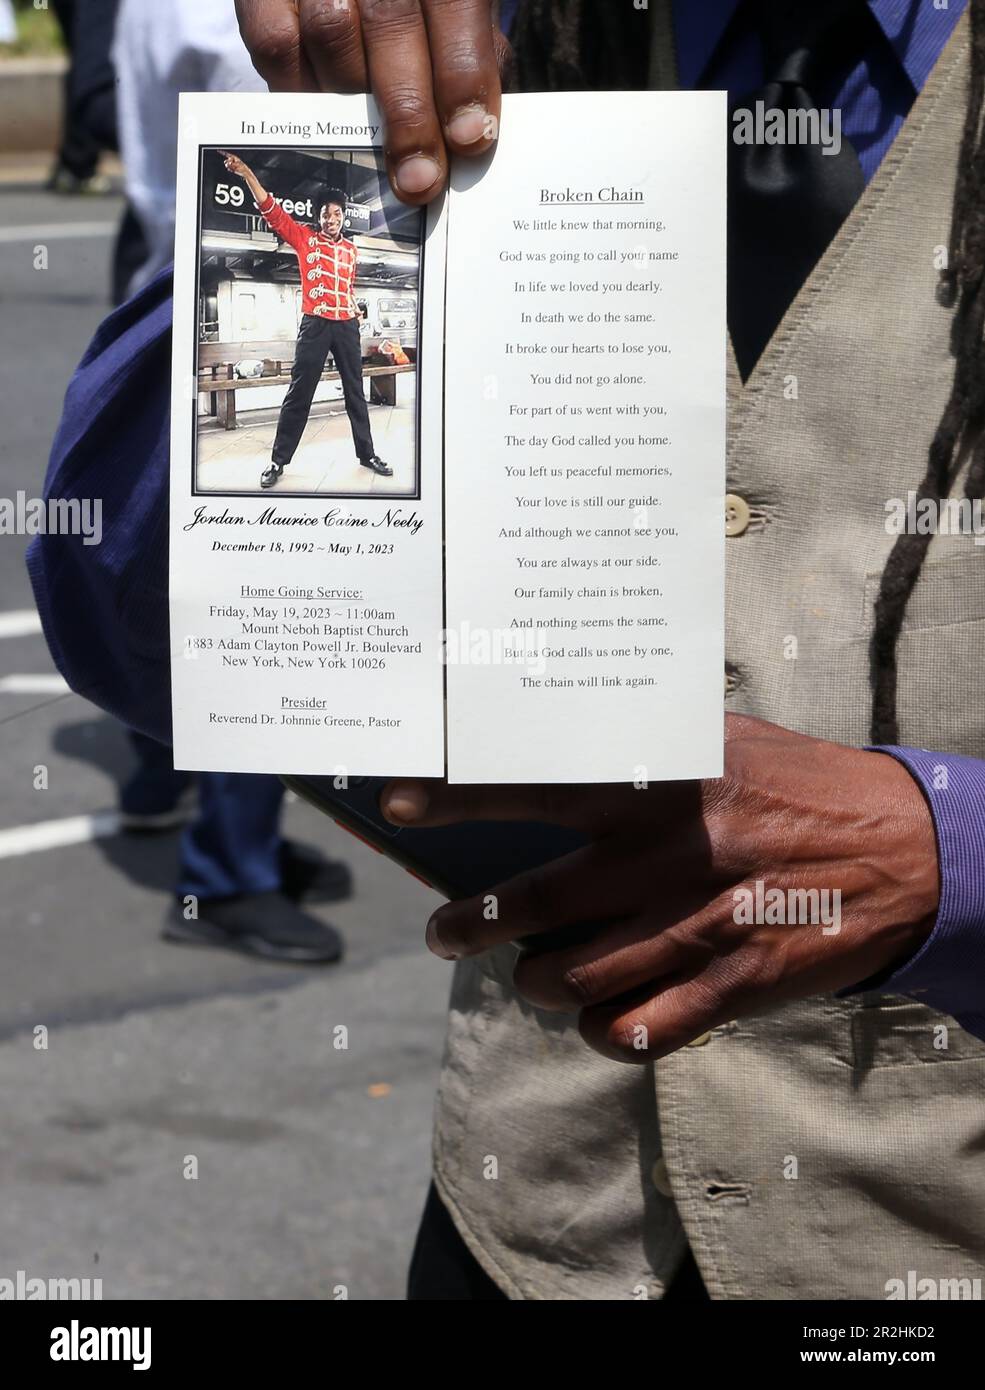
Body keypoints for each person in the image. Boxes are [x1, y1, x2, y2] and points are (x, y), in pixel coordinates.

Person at [27, 0, 985, 1300]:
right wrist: (334, 141)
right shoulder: (511, 36)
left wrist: (949, 852)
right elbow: (141, 628)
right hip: (539, 1221)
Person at [109, 0, 350, 964]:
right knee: (264, 593)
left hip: (204, 283)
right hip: (225, 303)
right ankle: (223, 873)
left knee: (222, 581)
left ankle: (212, 821)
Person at [221, 152, 392, 489]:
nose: (332, 218)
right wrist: (247, 174)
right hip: (315, 325)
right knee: (300, 393)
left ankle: (367, 454)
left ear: (343, 218)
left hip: (346, 326)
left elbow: (347, 286)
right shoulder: (304, 239)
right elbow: (271, 209)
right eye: (327, 213)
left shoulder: (352, 251)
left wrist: (356, 307)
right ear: (319, 216)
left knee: (355, 392)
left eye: (337, 214)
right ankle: (277, 461)